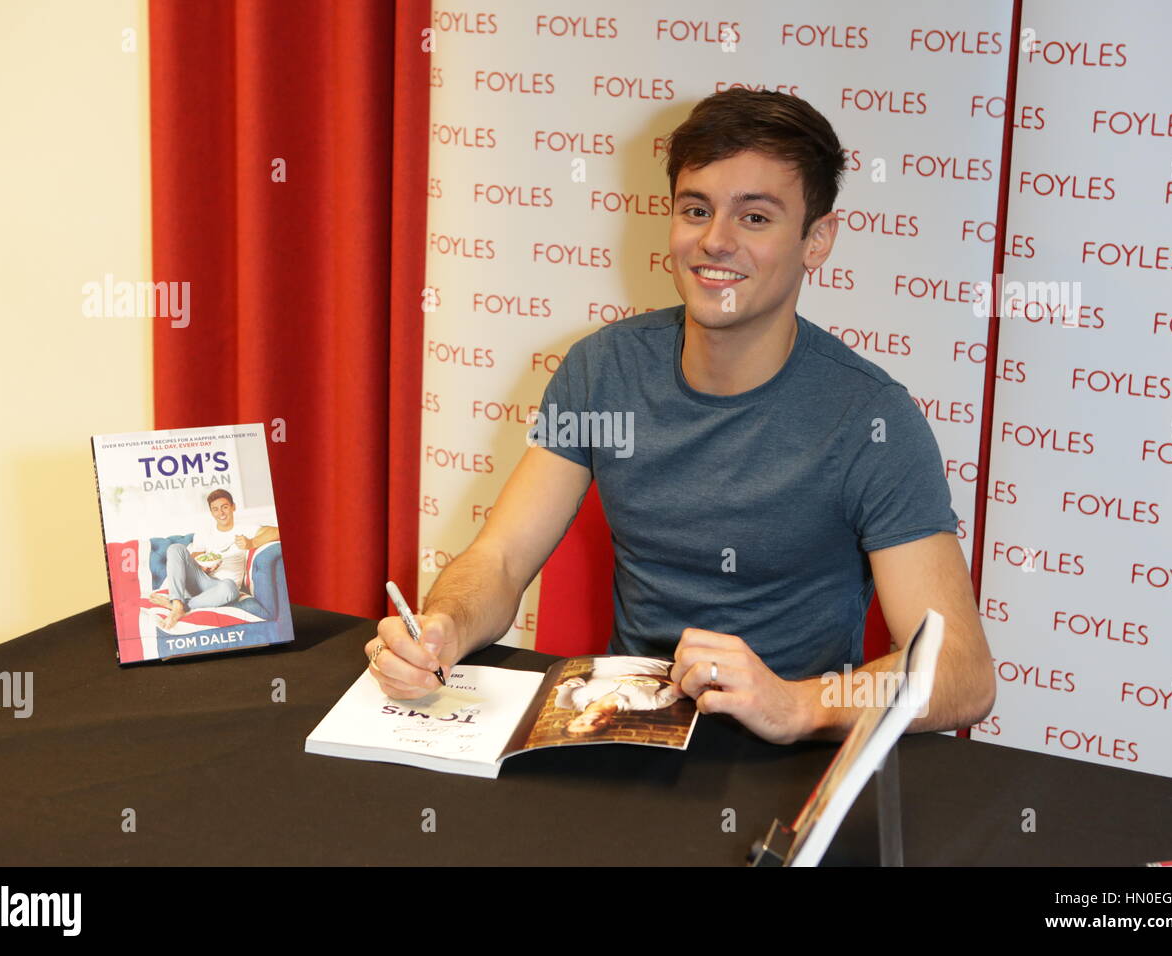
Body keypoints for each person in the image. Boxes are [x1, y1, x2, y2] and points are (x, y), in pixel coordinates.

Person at [368, 89, 996, 744]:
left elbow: (961, 673)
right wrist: (444, 625)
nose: (716, 241)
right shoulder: (601, 371)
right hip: (623, 734)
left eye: (755, 218)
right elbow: (498, 561)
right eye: (697, 210)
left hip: (789, 758)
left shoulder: (873, 420)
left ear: (818, 240)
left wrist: (798, 706)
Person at [151, 489, 280, 630]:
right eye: (215, 509)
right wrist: (202, 567)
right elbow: (193, 557)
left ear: (233, 507)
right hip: (201, 580)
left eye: (225, 507)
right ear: (212, 512)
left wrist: (252, 543)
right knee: (175, 548)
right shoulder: (205, 532)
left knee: (229, 586)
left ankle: (182, 606)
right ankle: (177, 603)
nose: (221, 513)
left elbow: (277, 531)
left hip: (222, 588)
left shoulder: (246, 528)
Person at [554, 658, 686, 737]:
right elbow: (678, 686)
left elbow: (563, 680)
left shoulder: (566, 701)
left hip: (612, 653)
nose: (592, 720)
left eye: (582, 723)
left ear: (569, 721)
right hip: (655, 657)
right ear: (611, 722)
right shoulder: (649, 704)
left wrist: (571, 680)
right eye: (597, 724)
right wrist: (653, 678)